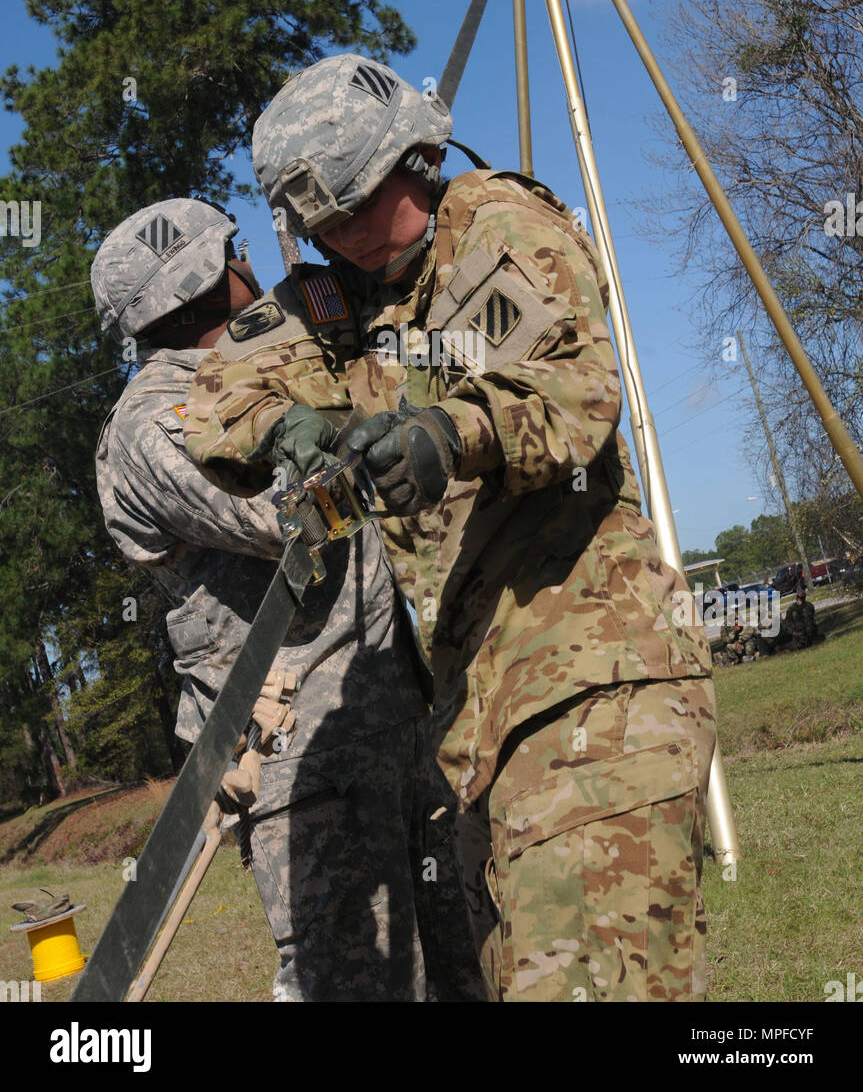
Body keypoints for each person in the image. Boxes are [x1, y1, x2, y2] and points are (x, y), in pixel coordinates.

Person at [184, 54, 717, 1003]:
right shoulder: (336, 300)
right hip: (475, 727)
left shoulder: (492, 234)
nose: (340, 239)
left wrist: (449, 432)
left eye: (353, 210)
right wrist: (285, 424)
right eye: (318, 224)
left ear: (415, 161)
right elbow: (220, 384)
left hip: (591, 684)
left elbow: (568, 387)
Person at [91, 197, 483, 1003]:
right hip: (306, 765)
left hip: (393, 725)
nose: (252, 268)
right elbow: (296, 512)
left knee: (463, 976)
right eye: (234, 254)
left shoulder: (263, 374)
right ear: (204, 280)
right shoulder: (156, 422)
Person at [784, 586, 819, 651]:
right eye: (798, 597)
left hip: (809, 632)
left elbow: (811, 619)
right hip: (797, 634)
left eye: (801, 598)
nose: (799, 599)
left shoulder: (809, 606)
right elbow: (787, 623)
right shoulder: (791, 609)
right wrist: (794, 632)